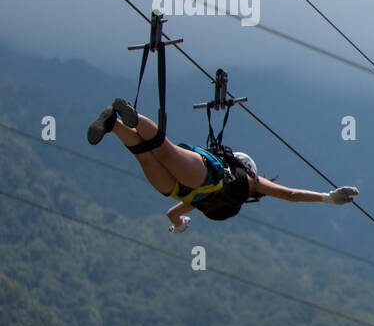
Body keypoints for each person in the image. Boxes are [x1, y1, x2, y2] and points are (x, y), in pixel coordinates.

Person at [87, 97, 358, 230]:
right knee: (156, 154)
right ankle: (127, 122)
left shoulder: (235, 186)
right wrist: (327, 198)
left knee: (155, 152)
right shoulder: (249, 181)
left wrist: (180, 224)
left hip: (188, 188)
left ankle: (116, 122)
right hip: (197, 182)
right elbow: (291, 195)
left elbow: (172, 215)